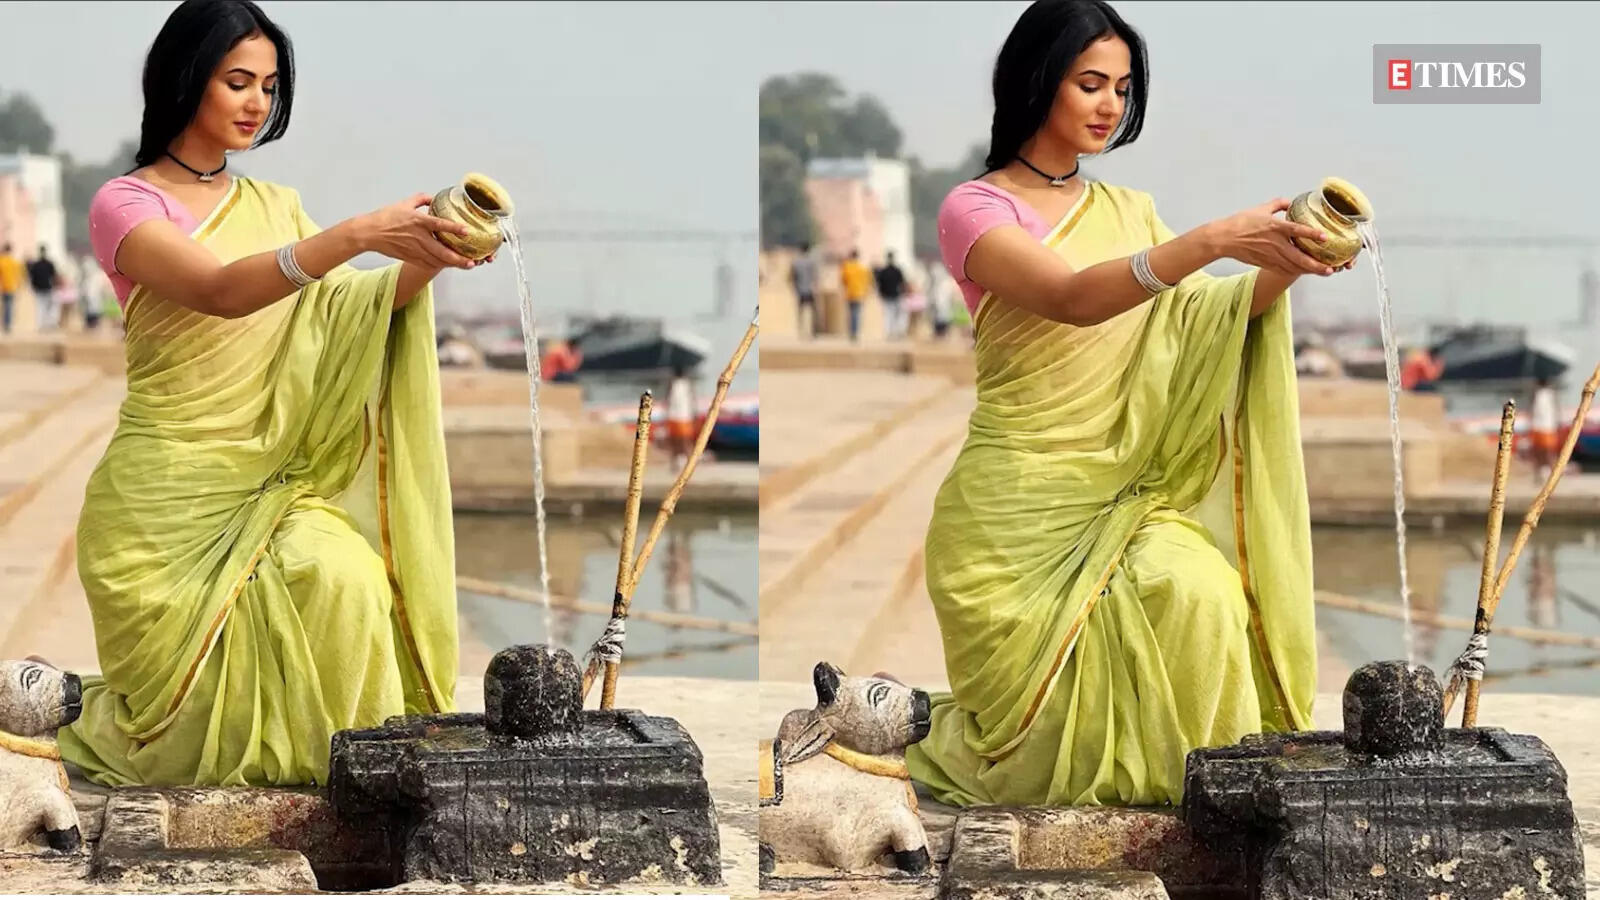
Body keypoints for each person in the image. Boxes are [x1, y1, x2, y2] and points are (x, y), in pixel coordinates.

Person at [904, 0, 1354, 810]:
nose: (1110, 104)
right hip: (1014, 512)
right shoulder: (976, 208)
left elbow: (1201, 319)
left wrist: (1288, 259)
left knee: (1198, 591)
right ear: (1038, 81)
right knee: (1026, 751)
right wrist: (1213, 241)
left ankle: (1203, 803)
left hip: (1122, 498)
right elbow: (1072, 298)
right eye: (1089, 83)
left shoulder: (1132, 215)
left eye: (1122, 86)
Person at [59, 0, 492, 788]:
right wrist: (358, 234)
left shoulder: (278, 210)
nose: (257, 102)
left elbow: (342, 312)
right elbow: (222, 291)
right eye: (237, 81)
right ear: (187, 79)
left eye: (269, 84)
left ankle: (345, 783)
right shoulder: (126, 203)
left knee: (344, 576)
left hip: (269, 486)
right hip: (164, 500)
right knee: (173, 734)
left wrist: (430, 254)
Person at [665, 365, 697, 470]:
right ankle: (681, 464)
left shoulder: (676, 384)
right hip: (680, 416)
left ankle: (684, 464)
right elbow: (692, 400)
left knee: (680, 442)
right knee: (682, 441)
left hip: (680, 416)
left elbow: (668, 399)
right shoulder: (685, 384)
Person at [839, 249, 873, 342]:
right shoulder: (862, 268)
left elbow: (843, 280)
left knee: (850, 313)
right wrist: (866, 293)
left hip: (849, 293)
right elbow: (867, 282)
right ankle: (855, 332)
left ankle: (851, 332)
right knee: (856, 314)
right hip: (859, 293)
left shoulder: (846, 267)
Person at [1530, 376, 1560, 481]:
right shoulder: (1546, 394)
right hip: (1544, 426)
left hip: (1545, 426)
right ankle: (1542, 475)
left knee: (1545, 452)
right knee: (1543, 452)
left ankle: (1549, 475)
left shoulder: (1544, 394)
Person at [874, 251, 908, 340]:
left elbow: (879, 284)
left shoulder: (883, 271)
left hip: (887, 296)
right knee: (896, 315)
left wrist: (881, 294)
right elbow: (902, 283)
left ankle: (889, 333)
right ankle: (896, 332)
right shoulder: (897, 270)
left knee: (888, 315)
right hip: (896, 295)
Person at [790, 242, 820, 338]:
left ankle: (801, 331)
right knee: (814, 311)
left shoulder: (796, 262)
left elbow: (793, 277)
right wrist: (816, 286)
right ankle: (813, 331)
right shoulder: (811, 261)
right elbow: (815, 276)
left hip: (800, 289)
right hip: (810, 290)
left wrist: (794, 288)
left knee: (801, 312)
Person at [27, 245, 58, 332]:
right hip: (47, 288)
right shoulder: (49, 264)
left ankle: (41, 325)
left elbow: (32, 277)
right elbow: (54, 276)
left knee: (40, 307)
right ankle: (46, 324)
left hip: (39, 288)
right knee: (47, 307)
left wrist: (33, 287)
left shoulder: (35, 265)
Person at [0, 243, 21, 334]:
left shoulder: (1, 261)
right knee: (9, 306)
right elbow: (18, 276)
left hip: (2, 287)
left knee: (4, 306)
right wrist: (18, 286)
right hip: (12, 287)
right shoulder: (14, 262)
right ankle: (7, 324)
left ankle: (5, 323)